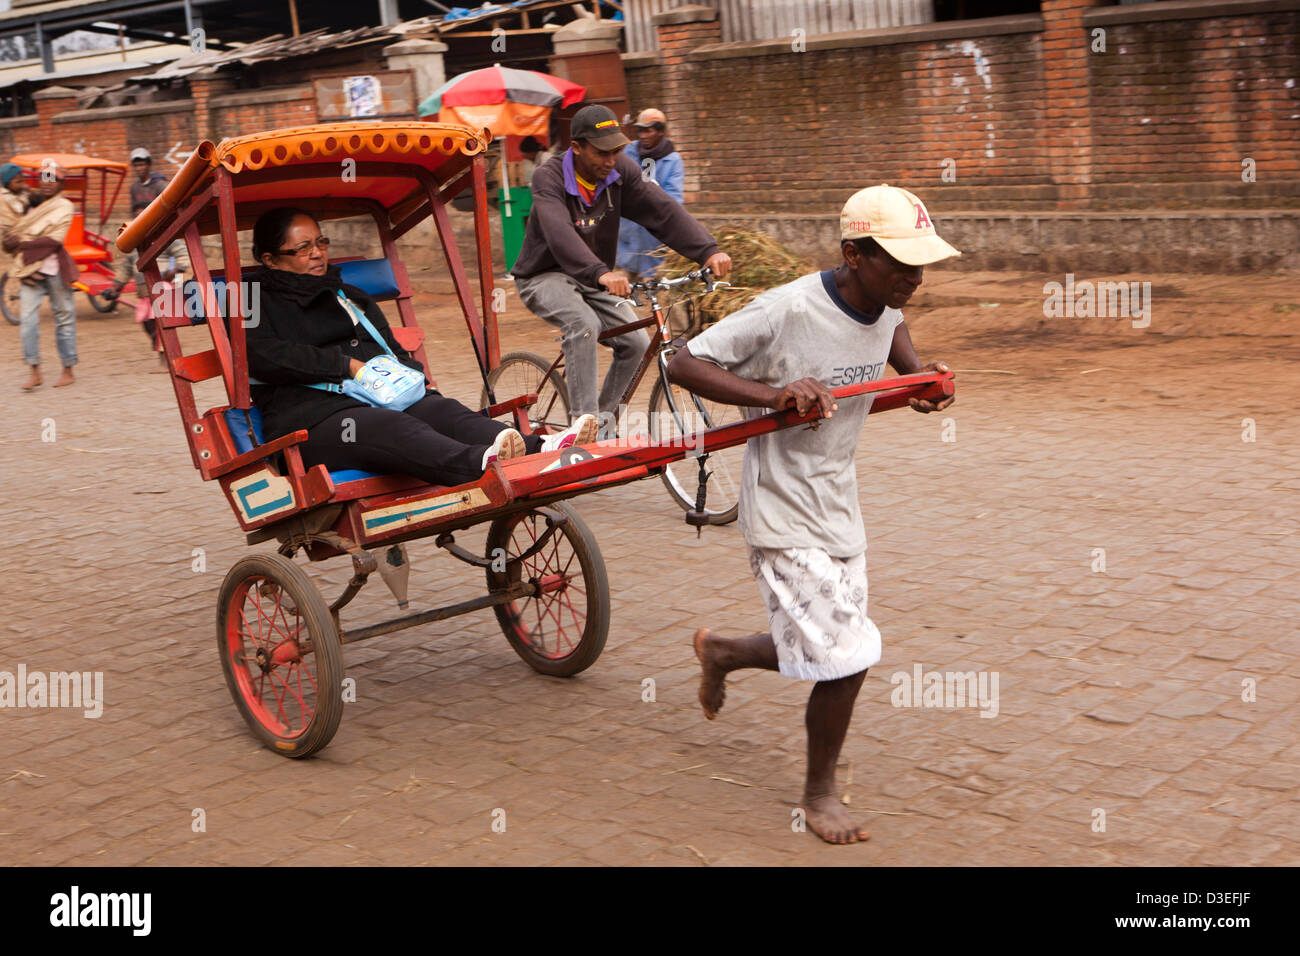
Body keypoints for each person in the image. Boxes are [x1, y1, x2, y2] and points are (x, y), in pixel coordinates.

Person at [667, 184, 959, 845]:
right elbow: (683, 362)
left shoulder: (883, 300)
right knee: (849, 653)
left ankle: (723, 651)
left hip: (838, 504)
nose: (914, 278)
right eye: (900, 264)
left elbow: (890, 329)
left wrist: (917, 378)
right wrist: (775, 393)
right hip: (780, 510)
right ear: (854, 255)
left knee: (827, 638)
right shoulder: (785, 310)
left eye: (921, 265)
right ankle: (819, 793)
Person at [244, 207, 597, 487]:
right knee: (388, 427)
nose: (317, 254)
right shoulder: (255, 304)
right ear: (271, 259)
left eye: (321, 243)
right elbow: (263, 357)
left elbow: (392, 351)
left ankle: (541, 448)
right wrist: (345, 365)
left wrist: (409, 378)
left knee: (443, 411)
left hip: (374, 398)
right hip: (310, 423)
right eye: (303, 248)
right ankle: (479, 464)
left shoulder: (350, 296)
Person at [511, 103, 732, 428]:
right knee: (583, 324)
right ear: (577, 147)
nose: (610, 159)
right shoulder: (549, 177)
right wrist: (600, 272)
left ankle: (601, 427)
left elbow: (662, 210)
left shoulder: (620, 173)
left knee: (637, 343)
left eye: (616, 150)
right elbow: (559, 233)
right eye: (601, 152)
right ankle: (579, 429)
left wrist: (707, 250)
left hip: (594, 276)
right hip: (544, 275)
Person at [109, 147, 189, 364]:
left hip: (162, 282)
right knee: (146, 322)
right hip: (143, 287)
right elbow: (127, 264)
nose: (139, 168)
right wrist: (116, 286)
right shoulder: (134, 237)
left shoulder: (161, 186)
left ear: (149, 164)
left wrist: (177, 269)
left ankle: (167, 357)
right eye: (136, 164)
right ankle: (164, 352)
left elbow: (181, 252)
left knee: (160, 321)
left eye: (142, 163)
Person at [6, 162, 77, 391]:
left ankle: (68, 369)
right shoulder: (25, 206)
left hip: (55, 270)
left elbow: (54, 240)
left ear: (60, 184)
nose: (48, 183)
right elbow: (8, 238)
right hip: (30, 273)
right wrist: (18, 253)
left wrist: (22, 243)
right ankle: (34, 371)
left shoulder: (64, 206)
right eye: (44, 178)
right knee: (27, 321)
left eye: (53, 179)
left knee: (64, 319)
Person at [616, 109, 684, 280]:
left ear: (661, 131)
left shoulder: (673, 160)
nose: (643, 135)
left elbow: (674, 199)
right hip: (629, 230)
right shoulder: (628, 152)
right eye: (640, 130)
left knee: (654, 284)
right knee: (624, 284)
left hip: (654, 233)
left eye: (649, 130)